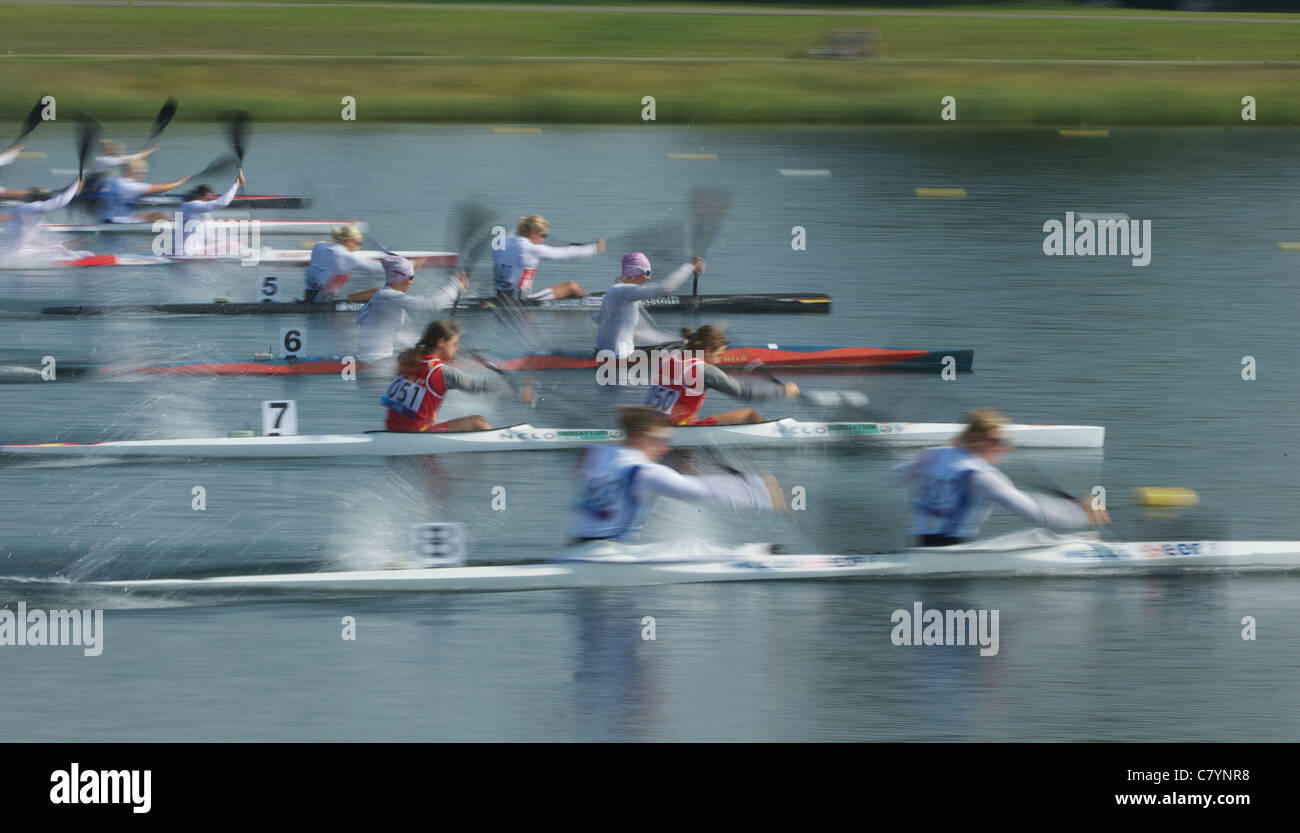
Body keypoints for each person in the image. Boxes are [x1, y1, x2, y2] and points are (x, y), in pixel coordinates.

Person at [894, 409, 1110, 547]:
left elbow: (895, 476)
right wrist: (1085, 515)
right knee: (1040, 536)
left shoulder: (932, 455)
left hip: (919, 546)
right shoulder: (983, 477)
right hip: (953, 552)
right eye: (999, 441)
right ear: (980, 441)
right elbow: (1037, 513)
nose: (1006, 447)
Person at [569, 406, 785, 543]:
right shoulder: (645, 473)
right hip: (611, 556)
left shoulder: (595, 452)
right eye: (661, 440)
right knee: (694, 550)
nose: (666, 448)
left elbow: (583, 466)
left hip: (577, 549)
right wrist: (758, 490)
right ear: (643, 436)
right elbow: (700, 491)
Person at [381, 320, 532, 433]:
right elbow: (479, 386)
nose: (457, 350)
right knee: (478, 422)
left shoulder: (407, 360)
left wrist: (448, 331)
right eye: (455, 344)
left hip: (391, 430)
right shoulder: (442, 372)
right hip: (416, 434)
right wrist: (518, 393)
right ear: (441, 342)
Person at [644, 325, 799, 425]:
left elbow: (686, 343)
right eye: (719, 354)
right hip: (678, 430)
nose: (718, 361)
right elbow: (745, 393)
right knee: (750, 415)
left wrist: (712, 331)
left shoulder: (670, 356)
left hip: (647, 424)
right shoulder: (704, 370)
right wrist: (784, 390)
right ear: (708, 350)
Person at [355, 255, 468, 364]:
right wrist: (456, 285)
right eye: (410, 278)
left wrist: (442, 335)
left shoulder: (381, 297)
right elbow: (433, 304)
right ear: (400, 279)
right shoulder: (390, 297)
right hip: (377, 363)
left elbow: (402, 336)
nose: (411, 282)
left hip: (367, 358)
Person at [594, 252, 701, 358]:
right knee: (685, 348)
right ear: (634, 272)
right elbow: (665, 288)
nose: (648, 277)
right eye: (647, 272)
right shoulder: (623, 291)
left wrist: (676, 339)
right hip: (620, 356)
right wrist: (690, 266)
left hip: (605, 353)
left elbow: (646, 332)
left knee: (678, 344)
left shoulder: (617, 292)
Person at [492, 213, 604, 305]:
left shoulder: (501, 242)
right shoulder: (531, 249)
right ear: (532, 232)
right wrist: (595, 248)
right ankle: (596, 303)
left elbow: (514, 234)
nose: (544, 240)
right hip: (522, 302)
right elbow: (565, 254)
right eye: (543, 236)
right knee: (571, 287)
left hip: (501, 297)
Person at [1, 179, 85, 259]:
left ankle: (72, 256)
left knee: (61, 249)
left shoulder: (24, 208)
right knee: (58, 249)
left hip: (22, 250)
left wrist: (74, 186)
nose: (47, 199)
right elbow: (59, 202)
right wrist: (76, 185)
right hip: (20, 253)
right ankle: (71, 258)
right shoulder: (31, 207)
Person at [302, 224, 385, 302]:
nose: (358, 248)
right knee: (379, 292)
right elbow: (379, 269)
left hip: (309, 296)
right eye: (357, 243)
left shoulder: (319, 246)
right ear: (348, 240)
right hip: (327, 301)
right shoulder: (347, 257)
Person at [99, 159, 189, 224]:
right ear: (132, 172)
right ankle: (182, 228)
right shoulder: (130, 186)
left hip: (106, 219)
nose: (142, 175)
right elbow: (161, 188)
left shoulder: (111, 181)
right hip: (118, 222)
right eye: (141, 172)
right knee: (162, 215)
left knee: (152, 214)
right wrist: (181, 182)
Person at [178, 174, 243, 255]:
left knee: (234, 244)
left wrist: (237, 238)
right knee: (234, 245)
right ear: (199, 196)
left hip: (194, 250)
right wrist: (236, 185)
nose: (209, 201)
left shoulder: (194, 211)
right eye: (208, 199)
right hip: (188, 252)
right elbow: (222, 203)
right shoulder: (191, 205)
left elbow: (210, 235)